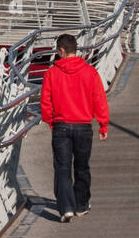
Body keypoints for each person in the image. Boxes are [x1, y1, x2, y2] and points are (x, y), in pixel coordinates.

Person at [39, 33, 109, 222]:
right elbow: (99, 99)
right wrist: (103, 124)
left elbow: (45, 102)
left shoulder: (52, 73)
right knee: (82, 167)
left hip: (61, 125)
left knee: (62, 168)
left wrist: (50, 121)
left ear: (61, 50)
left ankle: (66, 208)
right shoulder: (90, 72)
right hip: (84, 125)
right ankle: (81, 205)